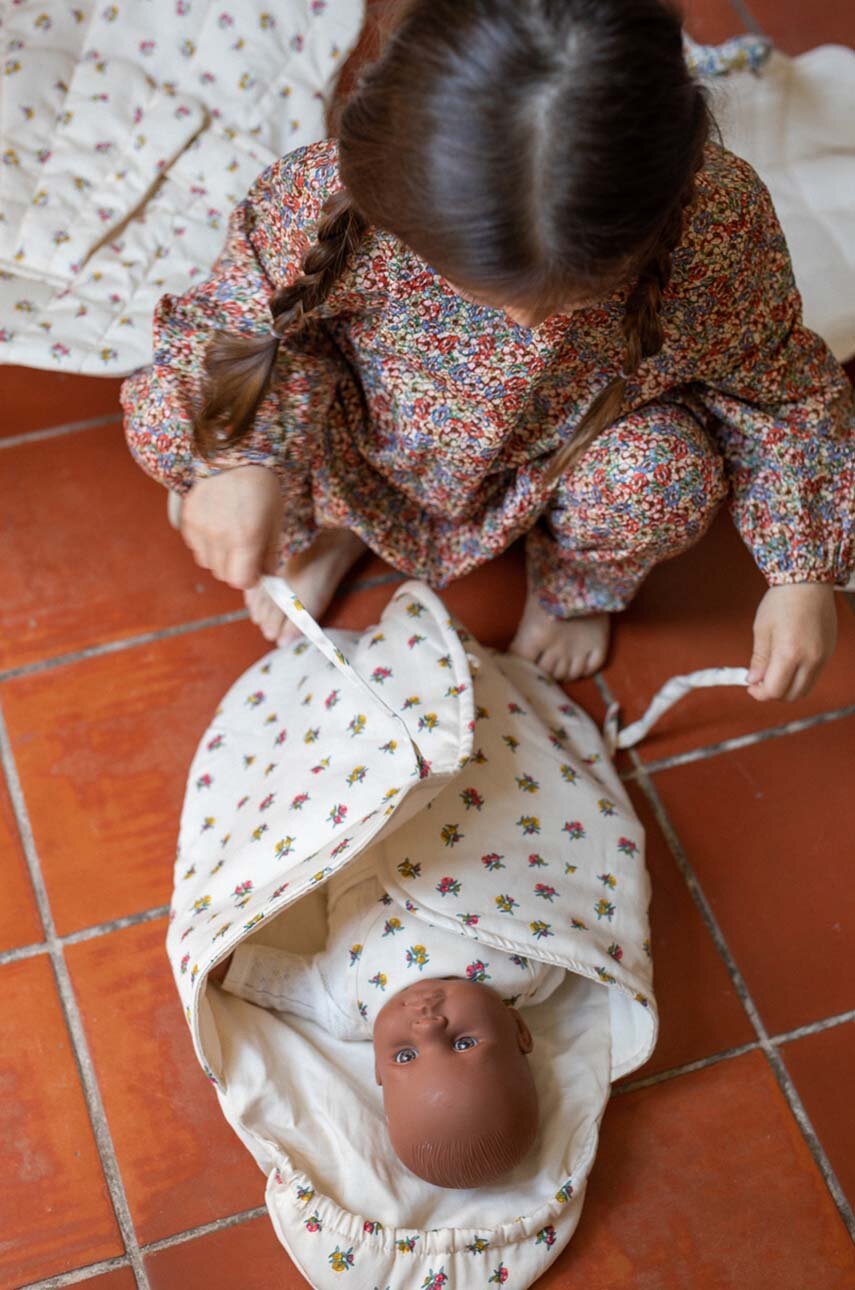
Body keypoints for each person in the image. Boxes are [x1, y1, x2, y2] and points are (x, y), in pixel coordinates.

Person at [122, 0, 853, 698]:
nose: (530, 328)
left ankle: (574, 585)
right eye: (479, 289)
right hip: (368, 441)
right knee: (178, 410)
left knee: (665, 475)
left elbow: (785, 393)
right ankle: (336, 533)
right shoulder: (319, 193)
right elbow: (228, 323)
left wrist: (801, 573)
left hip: (558, 456)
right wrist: (235, 458)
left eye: (574, 297)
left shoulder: (718, 223)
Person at [209, 864, 558, 1188]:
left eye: (407, 1055)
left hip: (356, 846)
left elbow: (287, 984)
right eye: (463, 1043)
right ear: (518, 1029)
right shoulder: (524, 965)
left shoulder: (346, 1006)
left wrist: (230, 967)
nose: (427, 1027)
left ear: (378, 1065)